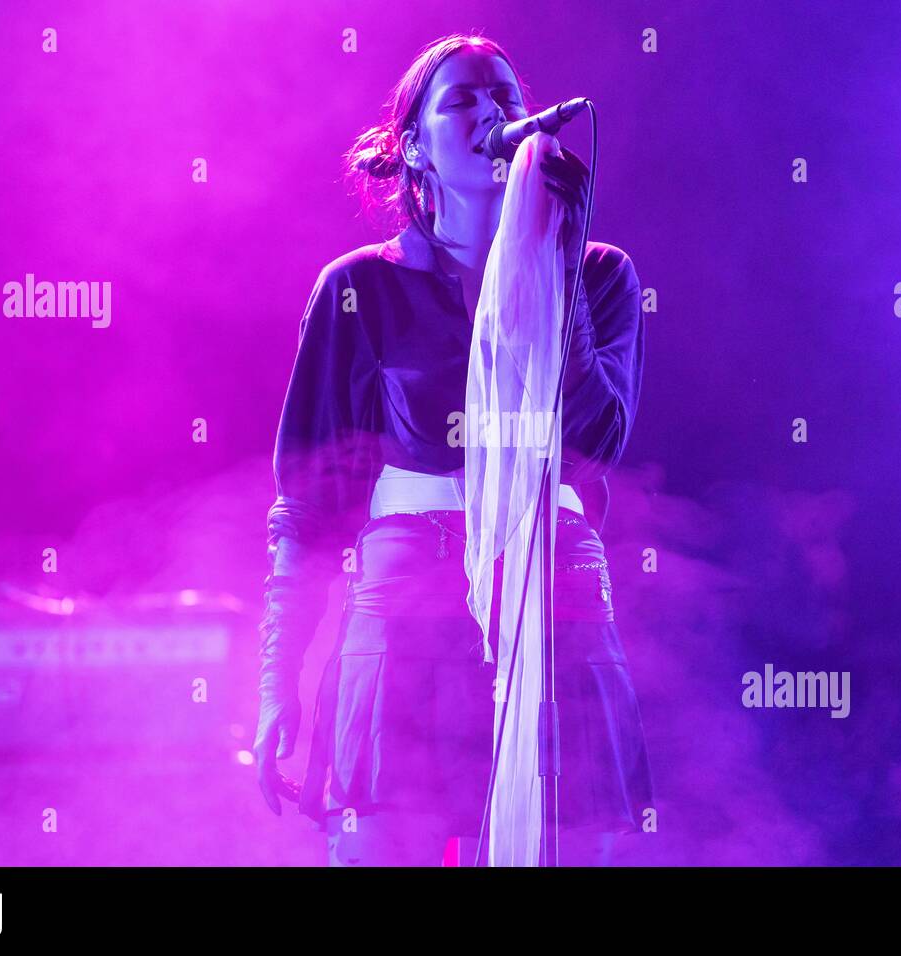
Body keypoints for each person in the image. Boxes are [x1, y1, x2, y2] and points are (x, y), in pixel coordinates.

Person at [252, 32, 653, 866]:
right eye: (463, 98)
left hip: (558, 605)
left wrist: (559, 258)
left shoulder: (601, 273)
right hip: (405, 615)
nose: (495, 113)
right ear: (413, 149)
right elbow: (309, 504)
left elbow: (595, 439)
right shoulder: (360, 287)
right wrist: (277, 673)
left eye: (506, 96)